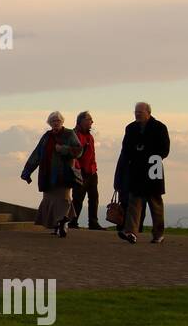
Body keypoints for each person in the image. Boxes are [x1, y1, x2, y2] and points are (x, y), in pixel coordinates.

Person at [113, 101, 170, 244]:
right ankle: (131, 232)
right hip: (136, 169)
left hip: (153, 167)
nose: (137, 114)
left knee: (155, 202)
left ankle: (158, 234)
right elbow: (126, 149)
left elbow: (164, 149)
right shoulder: (130, 128)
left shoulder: (160, 127)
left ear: (148, 113)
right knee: (134, 202)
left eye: (140, 112)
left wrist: (147, 154)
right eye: (136, 112)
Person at [20, 111, 83, 238]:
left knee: (64, 199)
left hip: (64, 174)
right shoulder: (46, 137)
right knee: (49, 200)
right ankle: (57, 226)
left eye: (58, 121)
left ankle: (63, 224)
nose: (56, 123)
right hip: (48, 175)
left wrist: (63, 149)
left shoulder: (69, 134)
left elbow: (79, 151)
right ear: (50, 123)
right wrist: (27, 171)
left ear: (62, 122)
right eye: (53, 121)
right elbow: (37, 154)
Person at [69, 111, 102, 229]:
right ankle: (73, 222)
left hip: (92, 172)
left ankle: (93, 222)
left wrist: (94, 169)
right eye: (89, 119)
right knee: (78, 199)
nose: (92, 122)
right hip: (81, 172)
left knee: (94, 198)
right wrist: (78, 170)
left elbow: (92, 155)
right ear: (81, 121)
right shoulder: (74, 135)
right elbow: (73, 154)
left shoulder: (90, 137)